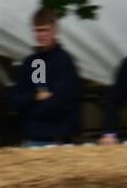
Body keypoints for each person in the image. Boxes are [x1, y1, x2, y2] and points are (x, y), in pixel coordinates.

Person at [8, 8, 83, 145]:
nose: (40, 35)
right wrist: (35, 97)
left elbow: (61, 103)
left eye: (44, 30)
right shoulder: (32, 62)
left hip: (58, 140)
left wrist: (30, 108)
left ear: (54, 30)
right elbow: (14, 99)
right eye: (37, 30)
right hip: (32, 139)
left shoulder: (65, 62)